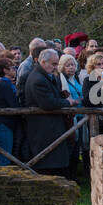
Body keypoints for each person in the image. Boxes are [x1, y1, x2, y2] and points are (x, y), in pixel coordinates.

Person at [24, 48, 76, 176]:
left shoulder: (43, 76)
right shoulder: (38, 79)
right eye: (53, 64)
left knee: (56, 162)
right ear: (43, 62)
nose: (55, 67)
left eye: (56, 64)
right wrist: (67, 102)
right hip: (45, 129)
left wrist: (61, 95)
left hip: (50, 128)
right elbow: (48, 103)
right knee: (48, 165)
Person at [58, 53, 91, 178]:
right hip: (72, 117)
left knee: (82, 146)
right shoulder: (63, 81)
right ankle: (70, 175)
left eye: (73, 65)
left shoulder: (76, 78)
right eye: (68, 65)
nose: (71, 67)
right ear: (62, 67)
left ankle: (79, 173)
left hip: (82, 115)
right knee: (73, 146)